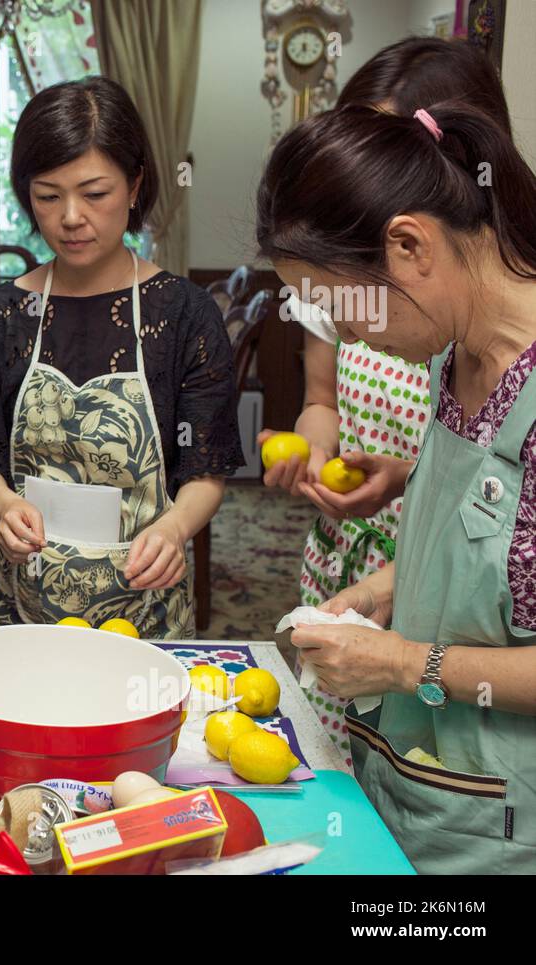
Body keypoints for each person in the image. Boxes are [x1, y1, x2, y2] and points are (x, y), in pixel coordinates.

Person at [256, 97, 536, 872]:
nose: (346, 337)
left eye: (340, 306)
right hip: (427, 792)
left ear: (408, 245)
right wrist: (388, 585)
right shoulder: (459, 358)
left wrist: (406, 664)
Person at [0, 77, 243, 636]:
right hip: (23, 605)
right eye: (47, 195)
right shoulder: (1, 314)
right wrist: (2, 505)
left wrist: (175, 528)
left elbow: (204, 469)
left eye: (94, 193)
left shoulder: (184, 313)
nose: (69, 217)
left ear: (135, 187)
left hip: (145, 604)